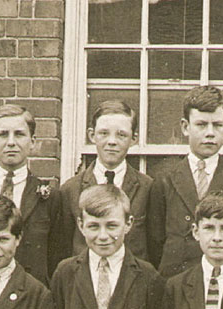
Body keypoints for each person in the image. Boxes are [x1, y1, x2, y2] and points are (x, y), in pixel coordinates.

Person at [0, 103, 70, 284]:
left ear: (32, 141)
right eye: (2, 134)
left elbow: (56, 256)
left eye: (19, 134)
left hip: (32, 296)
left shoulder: (50, 197)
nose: (11, 142)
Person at [150, 85, 223, 278]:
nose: (210, 133)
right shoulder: (163, 179)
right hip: (174, 281)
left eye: (217, 125)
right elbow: (155, 241)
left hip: (220, 279)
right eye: (202, 125)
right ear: (185, 127)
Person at [58, 98, 153, 262]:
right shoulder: (71, 189)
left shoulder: (148, 187)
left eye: (121, 135)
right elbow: (63, 248)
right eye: (103, 133)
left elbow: (154, 246)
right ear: (91, 135)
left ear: (134, 139)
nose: (112, 141)